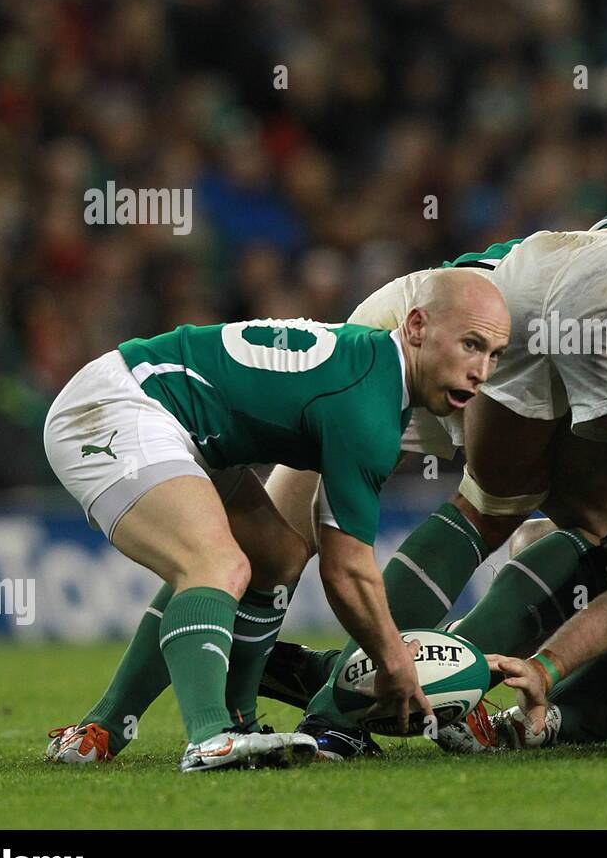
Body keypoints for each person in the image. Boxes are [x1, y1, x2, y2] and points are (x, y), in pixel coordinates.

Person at [42, 269, 509, 770]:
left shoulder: (374, 379)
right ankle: (209, 737)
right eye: (470, 344)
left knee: (277, 556)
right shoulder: (369, 407)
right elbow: (346, 569)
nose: (480, 369)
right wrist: (394, 661)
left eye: (493, 355)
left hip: (175, 421)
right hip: (116, 406)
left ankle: (138, 729)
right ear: (416, 327)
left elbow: (331, 557)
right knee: (215, 564)